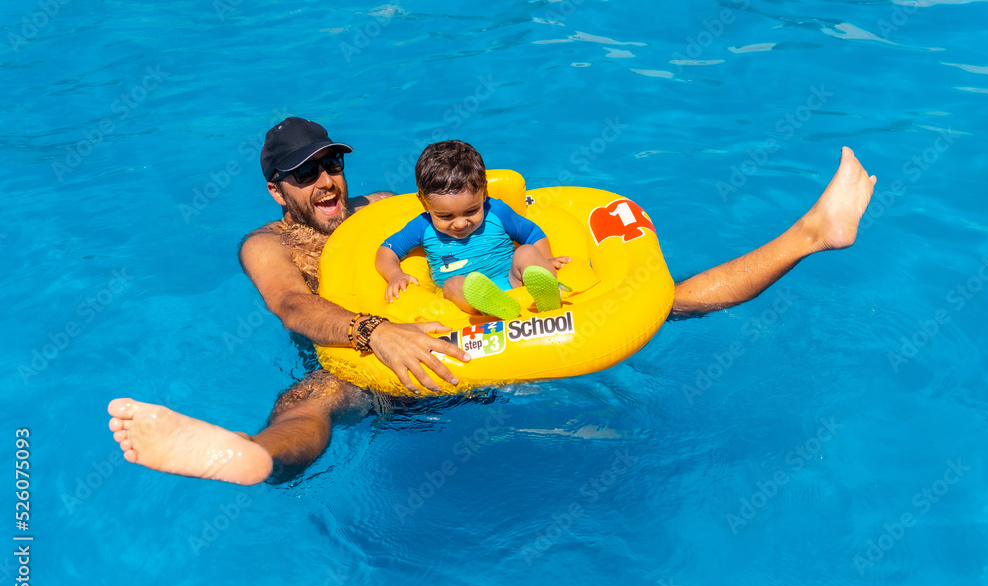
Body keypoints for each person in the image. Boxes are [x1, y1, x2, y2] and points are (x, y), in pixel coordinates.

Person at [107, 116, 876, 487]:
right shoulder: (269, 245)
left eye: (332, 163)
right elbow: (294, 311)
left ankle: (813, 232)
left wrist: (535, 264)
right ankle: (252, 460)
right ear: (279, 191)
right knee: (308, 394)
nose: (328, 182)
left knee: (658, 301)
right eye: (307, 175)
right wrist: (377, 333)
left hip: (469, 339)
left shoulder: (386, 209)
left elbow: (472, 233)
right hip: (368, 366)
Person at [376, 140, 570, 320]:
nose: (460, 224)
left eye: (471, 211)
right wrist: (395, 275)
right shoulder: (422, 226)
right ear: (424, 203)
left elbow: (532, 234)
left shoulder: (496, 211)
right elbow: (386, 251)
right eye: (445, 216)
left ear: (484, 193)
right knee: (453, 284)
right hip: (468, 299)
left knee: (527, 252)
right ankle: (491, 307)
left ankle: (548, 292)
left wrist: (546, 259)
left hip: (512, 282)